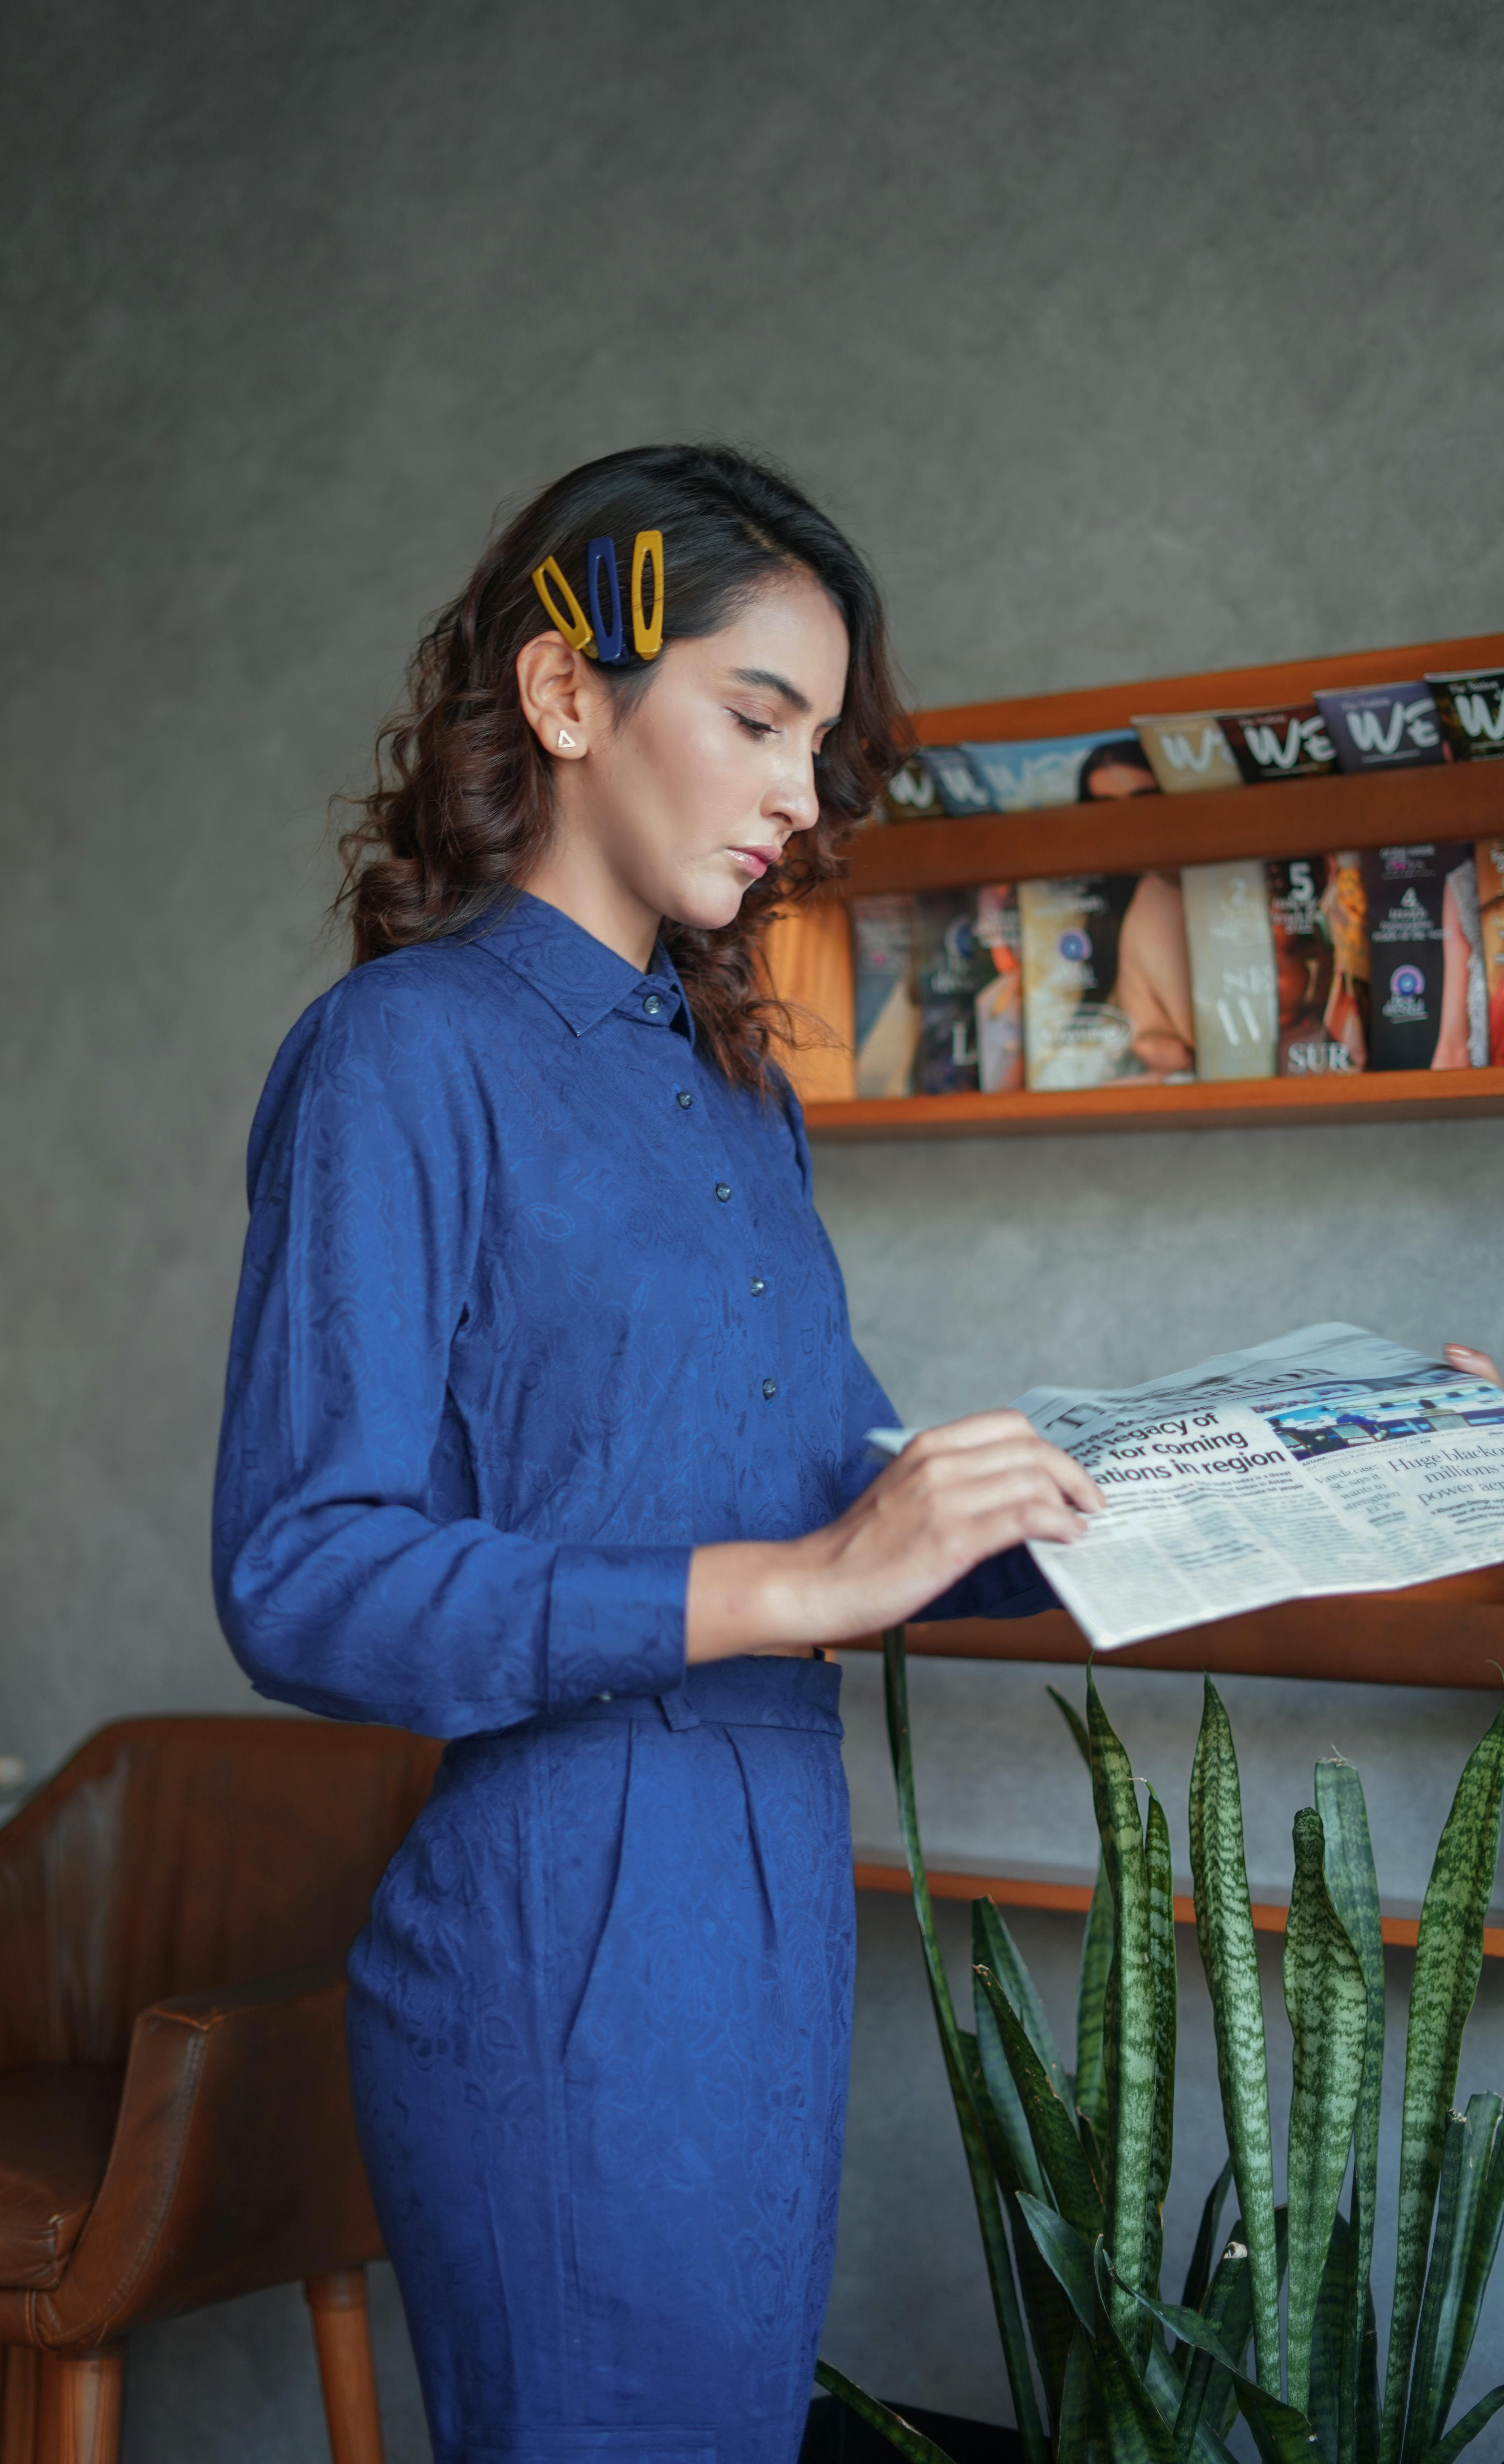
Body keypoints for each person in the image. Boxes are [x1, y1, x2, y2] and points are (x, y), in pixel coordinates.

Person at [211, 444, 1101, 2464]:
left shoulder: (732, 1098)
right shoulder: (400, 1056)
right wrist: (789, 1592)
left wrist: (1298, 1459)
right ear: (565, 696)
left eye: (817, 741)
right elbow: (304, 1570)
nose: (801, 794)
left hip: (775, 1913)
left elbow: (845, 1519)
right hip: (560, 1931)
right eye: (757, 717)